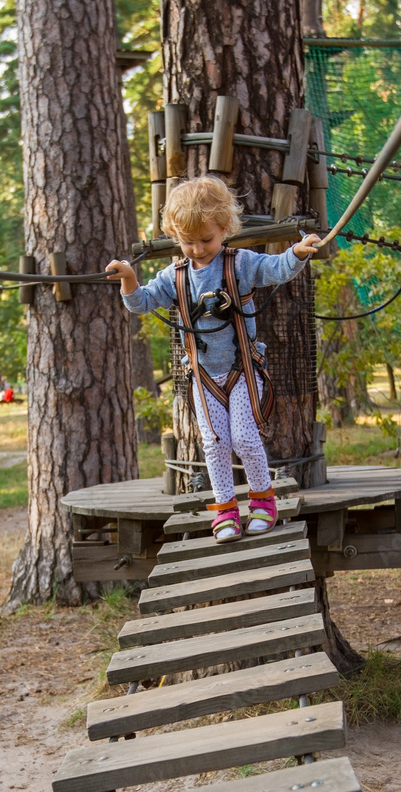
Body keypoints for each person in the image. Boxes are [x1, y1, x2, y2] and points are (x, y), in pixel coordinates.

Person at [106, 175, 318, 542]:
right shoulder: (174, 277)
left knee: (247, 439)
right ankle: (224, 512)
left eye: (206, 239)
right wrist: (128, 278)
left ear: (224, 228)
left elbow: (274, 269)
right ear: (175, 235)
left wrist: (296, 254)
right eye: (187, 242)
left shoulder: (239, 264)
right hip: (204, 377)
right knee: (215, 442)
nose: (198, 249)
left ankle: (263, 502)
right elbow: (141, 302)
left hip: (241, 371)